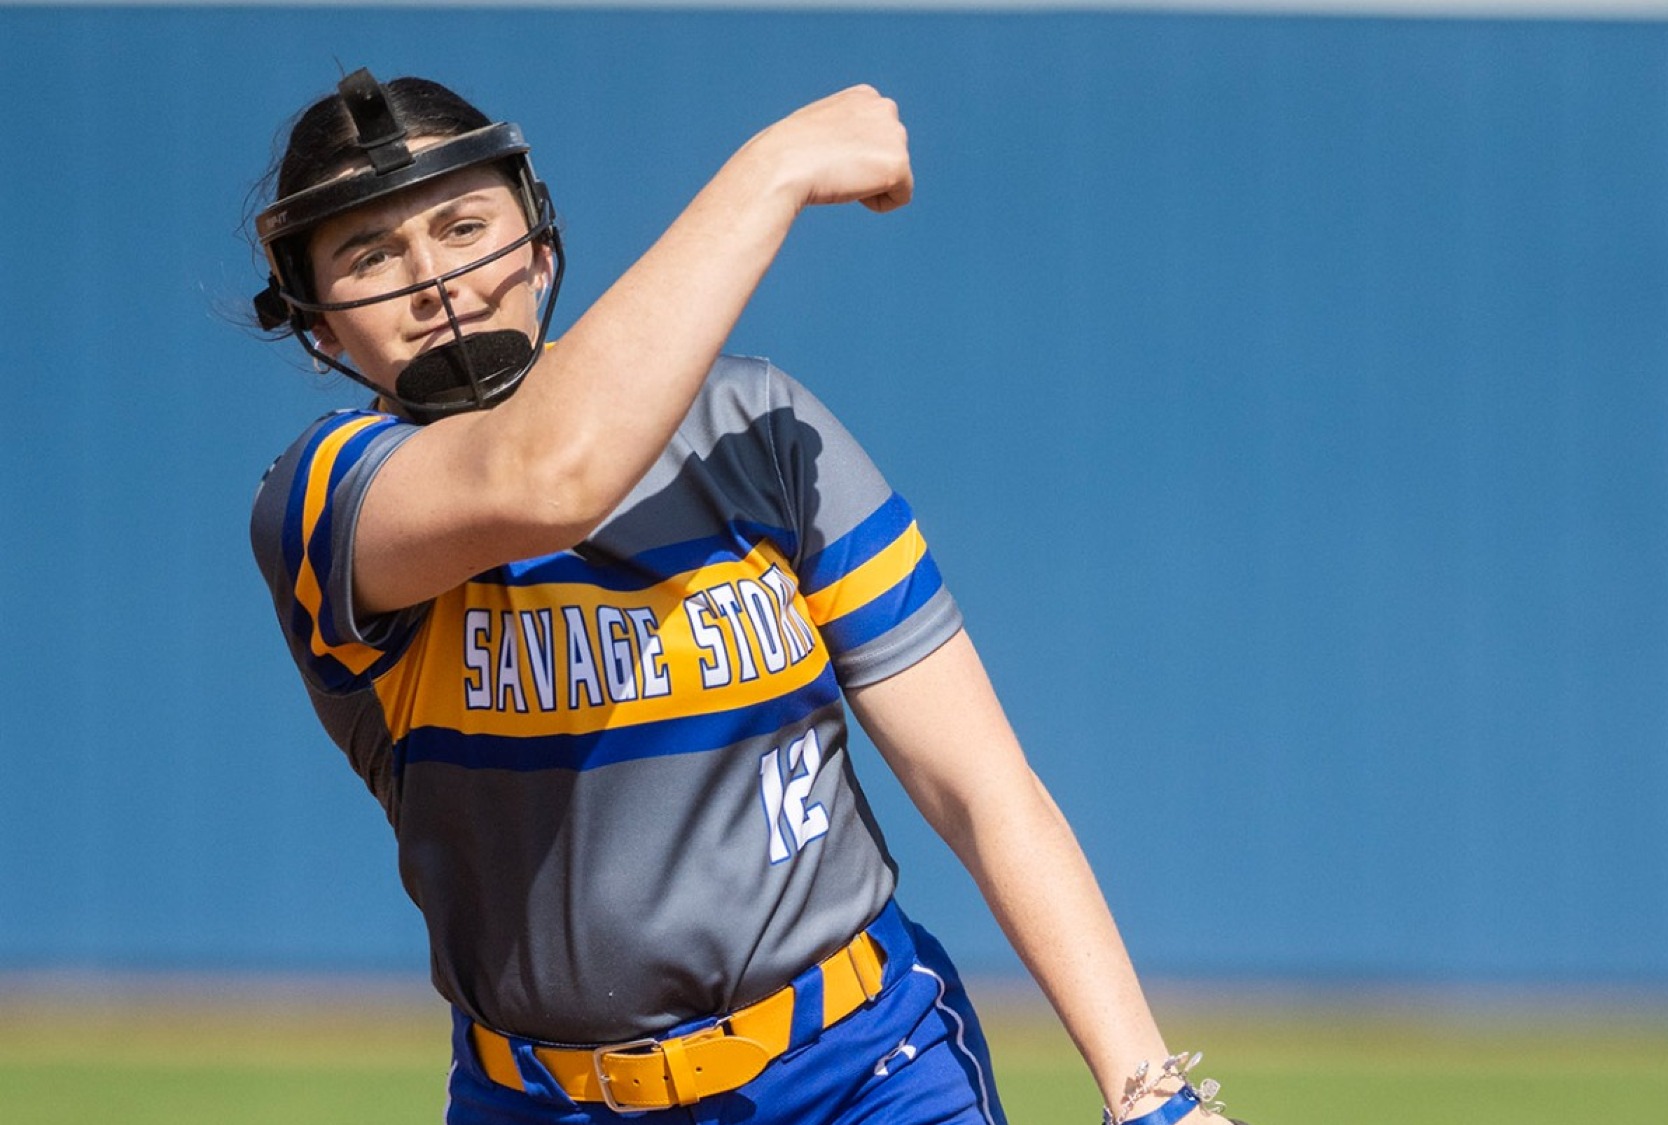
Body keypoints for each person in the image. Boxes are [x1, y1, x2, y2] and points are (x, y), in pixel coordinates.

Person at [246, 67, 1243, 1125]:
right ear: (318, 325)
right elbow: (545, 478)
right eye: (370, 254)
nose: (434, 279)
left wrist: (1151, 1096)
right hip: (548, 1099)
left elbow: (980, 787)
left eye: (463, 226)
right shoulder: (326, 503)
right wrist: (776, 166)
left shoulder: (752, 426)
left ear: (538, 246)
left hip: (864, 1069)